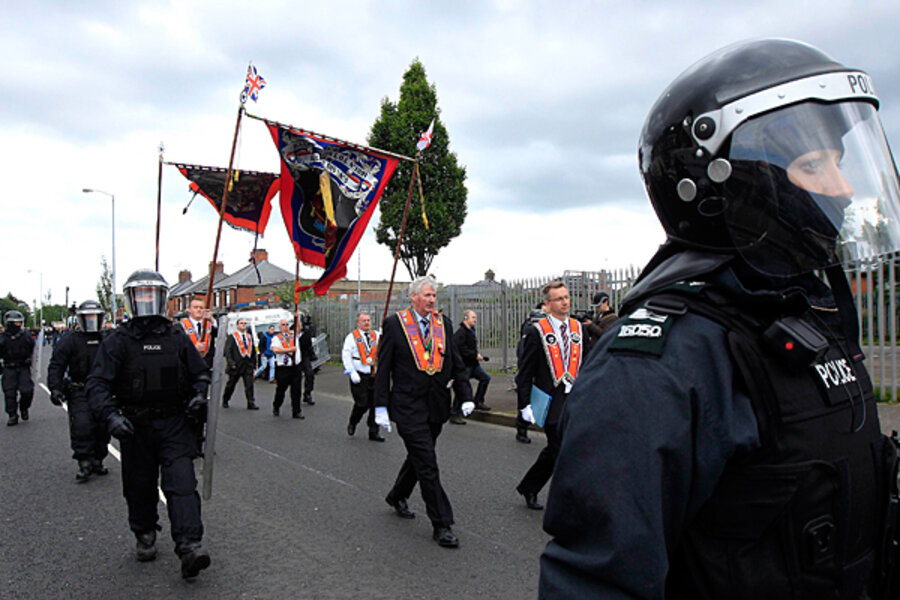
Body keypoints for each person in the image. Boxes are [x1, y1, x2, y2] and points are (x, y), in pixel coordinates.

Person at [540, 39, 900, 599]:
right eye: (813, 165)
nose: (844, 187)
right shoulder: (657, 362)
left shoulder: (810, 317)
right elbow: (594, 581)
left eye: (840, 161)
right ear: (726, 183)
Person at [87, 269, 212, 579]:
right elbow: (97, 384)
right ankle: (144, 531)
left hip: (174, 422)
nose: (146, 302)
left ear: (162, 299)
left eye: (151, 295)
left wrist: (199, 395)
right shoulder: (118, 341)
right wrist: (111, 416)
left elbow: (199, 373)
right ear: (130, 300)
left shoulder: (176, 336)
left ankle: (189, 545)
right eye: (140, 296)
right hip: (135, 426)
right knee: (140, 486)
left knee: (182, 484)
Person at [374, 276, 474, 548]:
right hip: (407, 406)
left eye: (434, 296)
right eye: (427, 295)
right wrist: (380, 405)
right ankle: (442, 523)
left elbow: (456, 362)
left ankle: (397, 495)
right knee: (427, 463)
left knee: (419, 457)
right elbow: (384, 368)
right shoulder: (395, 324)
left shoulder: (444, 324)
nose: (432, 300)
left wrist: (465, 394)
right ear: (414, 297)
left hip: (436, 404)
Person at [515, 281, 583, 511]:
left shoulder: (578, 328)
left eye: (566, 297)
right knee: (563, 451)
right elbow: (525, 372)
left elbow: (589, 363)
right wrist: (524, 405)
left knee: (555, 451)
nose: (565, 302)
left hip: (574, 400)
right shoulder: (537, 331)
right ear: (548, 303)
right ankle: (571, 502)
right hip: (550, 402)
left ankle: (529, 486)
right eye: (559, 299)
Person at [47, 300, 111, 481]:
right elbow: (57, 365)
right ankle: (84, 461)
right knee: (82, 426)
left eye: (94, 317)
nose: (91, 321)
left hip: (103, 390)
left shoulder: (108, 339)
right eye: (87, 317)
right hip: (79, 389)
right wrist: (55, 388)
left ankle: (98, 458)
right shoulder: (70, 340)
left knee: (103, 426)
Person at [341, 312, 384, 442]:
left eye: (368, 320)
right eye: (364, 321)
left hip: (374, 374)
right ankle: (353, 421)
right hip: (359, 375)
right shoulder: (351, 337)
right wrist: (351, 372)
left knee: (376, 404)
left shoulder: (376, 335)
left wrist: (385, 334)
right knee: (362, 404)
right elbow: (346, 356)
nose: (366, 323)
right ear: (358, 323)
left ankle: (373, 431)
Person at [449, 310, 491, 425]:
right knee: (462, 388)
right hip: (464, 366)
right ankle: (455, 413)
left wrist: (476, 355)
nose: (475, 320)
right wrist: (474, 355)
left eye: (475, 317)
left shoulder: (471, 331)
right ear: (466, 318)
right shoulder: (461, 333)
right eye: (473, 317)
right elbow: (460, 350)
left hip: (473, 365)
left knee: (485, 378)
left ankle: (478, 401)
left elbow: (470, 348)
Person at [514, 302, 547, 443]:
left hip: (538, 371)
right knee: (526, 400)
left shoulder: (532, 331)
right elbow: (524, 354)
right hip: (530, 371)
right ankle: (522, 428)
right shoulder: (530, 333)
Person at [270, 317, 312, 419]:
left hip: (295, 367)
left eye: (287, 324)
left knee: (296, 390)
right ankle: (276, 406)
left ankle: (296, 411)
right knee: (281, 390)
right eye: (283, 325)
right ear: (279, 327)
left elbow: (299, 327)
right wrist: (289, 350)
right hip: (283, 368)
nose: (285, 327)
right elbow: (275, 350)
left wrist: (297, 316)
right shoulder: (276, 338)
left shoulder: (293, 336)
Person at [0, 310, 35, 426]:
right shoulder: (2, 338)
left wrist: (30, 359)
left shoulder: (25, 337)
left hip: (23, 367)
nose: (18, 325)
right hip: (9, 367)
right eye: (16, 323)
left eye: (20, 322)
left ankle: (24, 407)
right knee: (9, 393)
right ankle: (12, 414)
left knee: (27, 390)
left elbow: (33, 349)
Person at [222, 317, 259, 410]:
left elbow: (253, 351)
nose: (243, 325)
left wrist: (254, 364)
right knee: (231, 384)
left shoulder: (249, 336)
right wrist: (231, 363)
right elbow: (227, 351)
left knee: (249, 385)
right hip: (236, 365)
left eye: (245, 323)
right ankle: (225, 399)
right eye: (241, 323)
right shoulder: (232, 337)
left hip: (247, 365)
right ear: (237, 325)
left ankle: (251, 403)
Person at [179, 297, 216, 369]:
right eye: (195, 307)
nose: (199, 310)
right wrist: (193, 349)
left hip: (206, 366)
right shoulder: (181, 326)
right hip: (187, 367)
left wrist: (211, 319)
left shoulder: (210, 325)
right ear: (190, 309)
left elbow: (220, 336)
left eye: (201, 308)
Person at [299, 312, 317, 405]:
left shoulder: (307, 331)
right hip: (294, 355)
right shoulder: (291, 332)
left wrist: (312, 355)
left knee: (310, 374)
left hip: (304, 355)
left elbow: (309, 344)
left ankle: (307, 394)